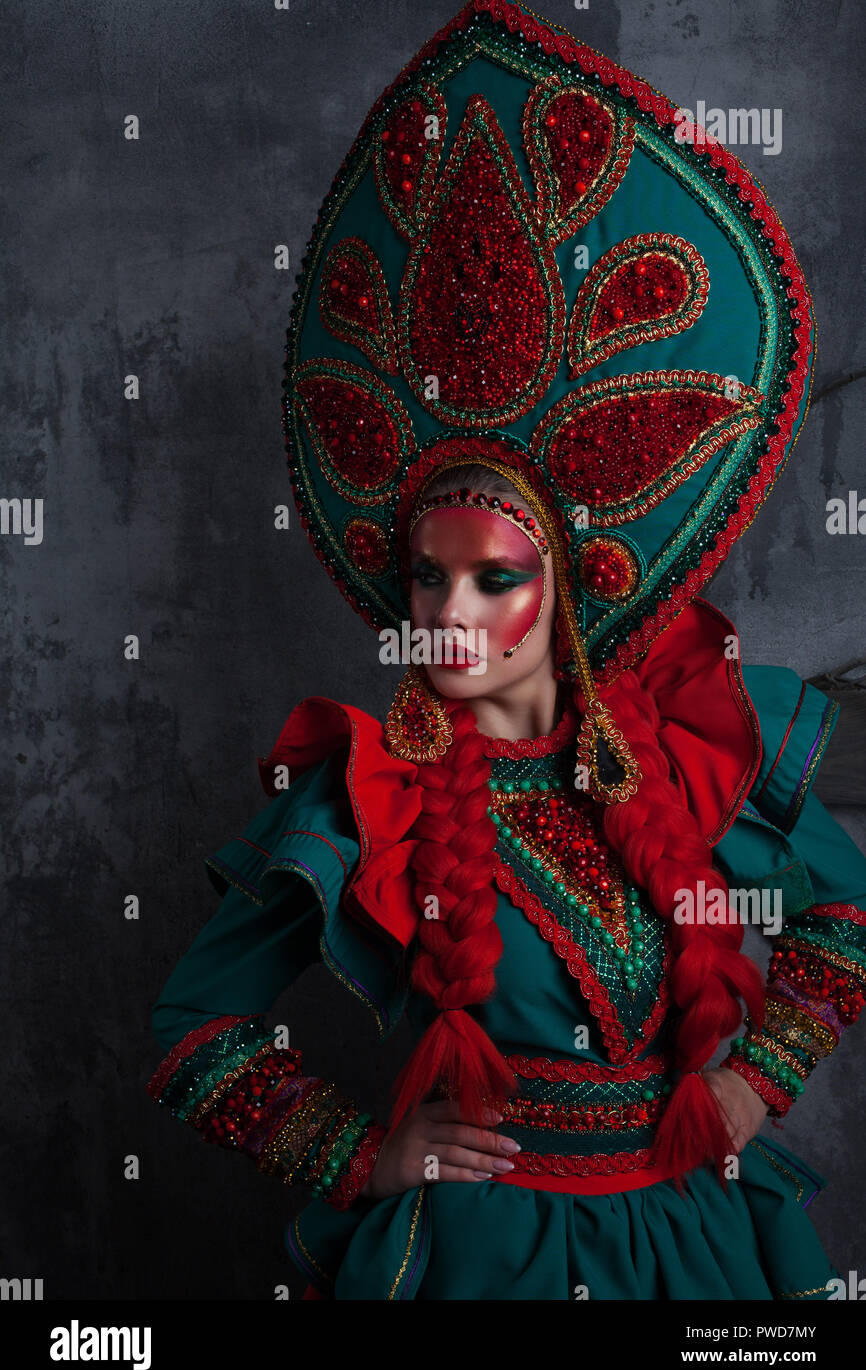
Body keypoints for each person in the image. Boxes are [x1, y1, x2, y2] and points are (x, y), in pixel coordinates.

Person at [147, 1, 866, 1299]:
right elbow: (194, 1034)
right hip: (476, 1256)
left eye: (494, 577)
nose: (453, 610)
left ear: (572, 582)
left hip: (690, 1241)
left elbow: (840, 922)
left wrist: (754, 1083)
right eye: (428, 574)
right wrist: (362, 1154)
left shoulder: (696, 748)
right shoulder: (360, 792)